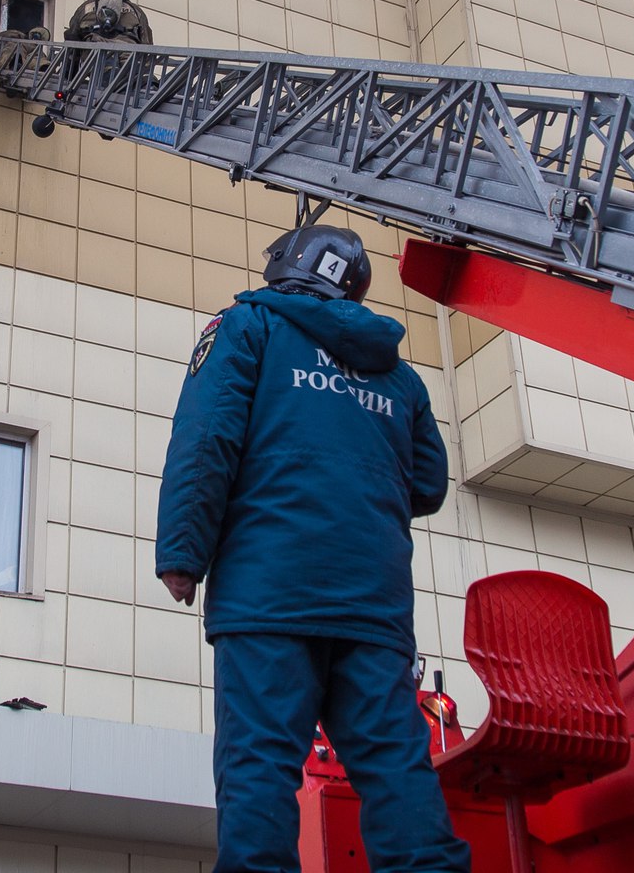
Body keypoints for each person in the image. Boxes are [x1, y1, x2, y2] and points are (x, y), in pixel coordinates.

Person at [154, 224, 468, 873]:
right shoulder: (399, 375)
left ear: (286, 268)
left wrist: (183, 554)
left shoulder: (247, 329)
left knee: (261, 764)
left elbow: (206, 439)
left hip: (270, 595)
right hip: (373, 608)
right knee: (396, 768)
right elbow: (430, 483)